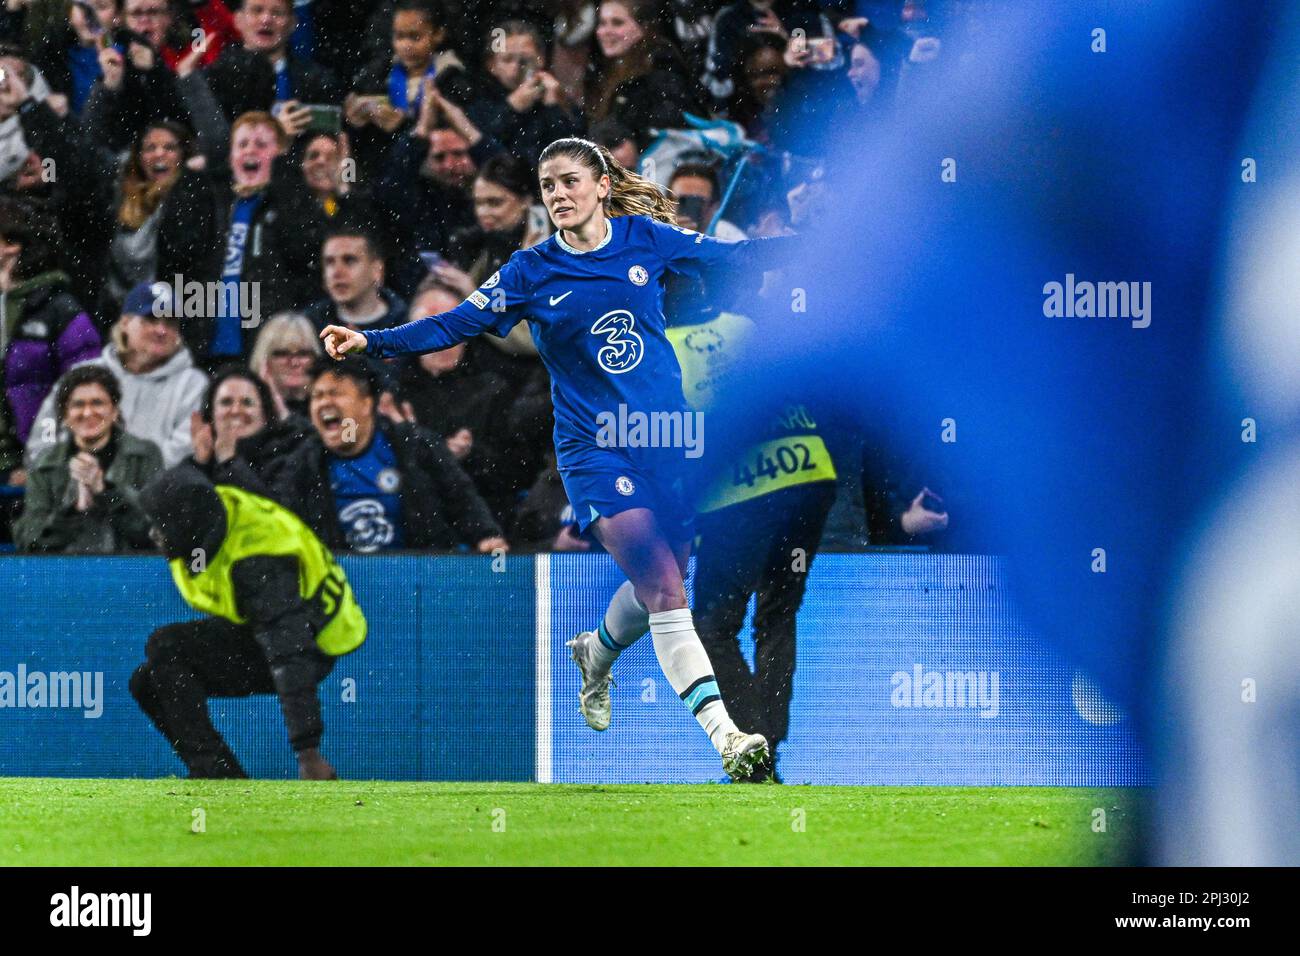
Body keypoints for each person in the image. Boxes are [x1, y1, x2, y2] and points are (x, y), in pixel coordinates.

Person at [322, 136, 794, 779]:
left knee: (661, 582)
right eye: (548, 187)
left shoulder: (645, 240)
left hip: (665, 439)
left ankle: (595, 654)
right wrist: (369, 340)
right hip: (592, 448)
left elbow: (732, 256)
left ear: (602, 187)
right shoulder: (530, 270)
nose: (559, 195)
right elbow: (453, 323)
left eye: (570, 181)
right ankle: (729, 740)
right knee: (663, 584)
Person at [131, 459, 366, 779]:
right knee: (147, 681)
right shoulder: (209, 518)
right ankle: (218, 771)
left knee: (166, 646)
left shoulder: (257, 563)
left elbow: (289, 653)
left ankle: (214, 772)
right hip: (269, 624)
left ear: (184, 524)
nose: (153, 533)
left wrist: (308, 753)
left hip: (311, 642)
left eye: (161, 523)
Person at [267, 357, 507, 554]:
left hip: (419, 583)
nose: (324, 403)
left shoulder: (414, 446)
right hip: (343, 592)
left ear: (366, 403)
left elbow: (461, 497)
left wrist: (485, 535)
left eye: (335, 393)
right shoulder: (304, 464)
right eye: (317, 396)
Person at [26, 281, 207, 469]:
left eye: (170, 322)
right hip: (72, 487)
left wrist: (117, 481)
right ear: (125, 323)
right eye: (151, 320)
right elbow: (47, 426)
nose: (161, 330)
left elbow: (183, 449)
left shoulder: (193, 384)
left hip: (152, 493)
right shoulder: (82, 374)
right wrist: (54, 469)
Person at [0, 197, 102, 485]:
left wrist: (42, 464)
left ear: (12, 245)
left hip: (35, 469)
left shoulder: (60, 309)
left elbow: (86, 392)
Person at [13, 363, 162, 552]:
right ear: (65, 415)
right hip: (66, 576)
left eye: (97, 403)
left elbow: (155, 534)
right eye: (78, 404)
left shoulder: (144, 456)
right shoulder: (45, 464)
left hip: (129, 573)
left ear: (115, 411)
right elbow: (30, 540)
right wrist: (74, 510)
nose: (88, 412)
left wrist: (106, 491)